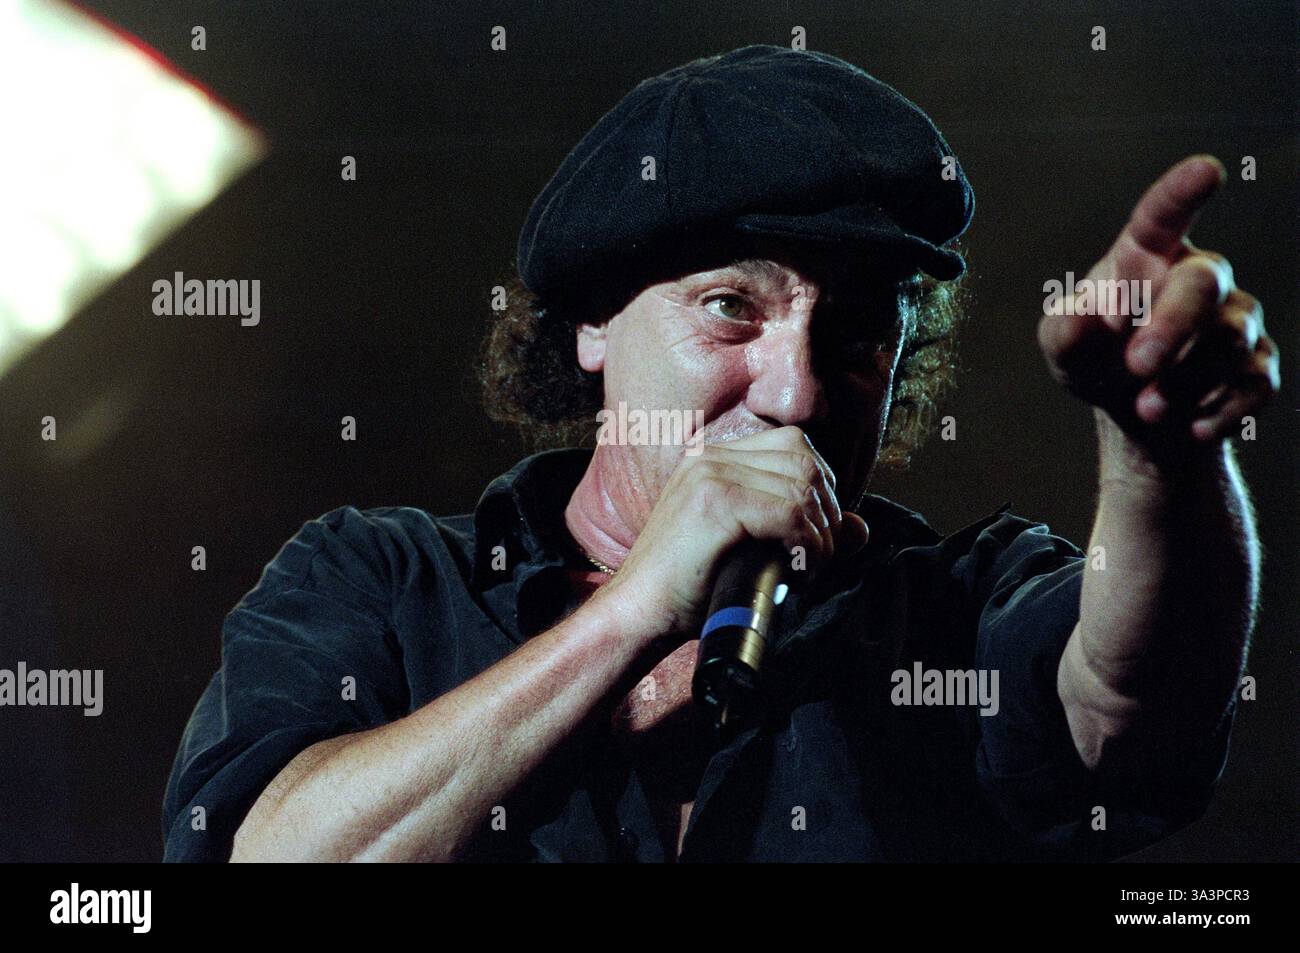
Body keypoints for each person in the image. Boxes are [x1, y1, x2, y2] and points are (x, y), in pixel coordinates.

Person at [162, 45, 1278, 862]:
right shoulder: (381, 582)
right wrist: (634, 607)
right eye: (730, 309)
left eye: (849, 334)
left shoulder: (952, 607)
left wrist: (1160, 450)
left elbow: (1133, 714)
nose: (794, 390)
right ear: (593, 324)